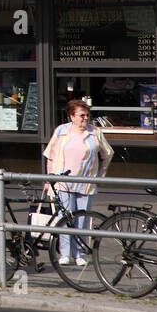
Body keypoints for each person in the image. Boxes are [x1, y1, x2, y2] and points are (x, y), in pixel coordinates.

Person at [43, 99, 113, 266]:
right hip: (63, 182)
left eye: (87, 115)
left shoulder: (95, 132)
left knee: (82, 220)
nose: (85, 119)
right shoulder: (61, 131)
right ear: (71, 116)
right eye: (81, 115)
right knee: (65, 218)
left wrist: (101, 175)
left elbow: (108, 154)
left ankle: (79, 253)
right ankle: (65, 253)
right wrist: (49, 178)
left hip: (86, 182)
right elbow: (51, 155)